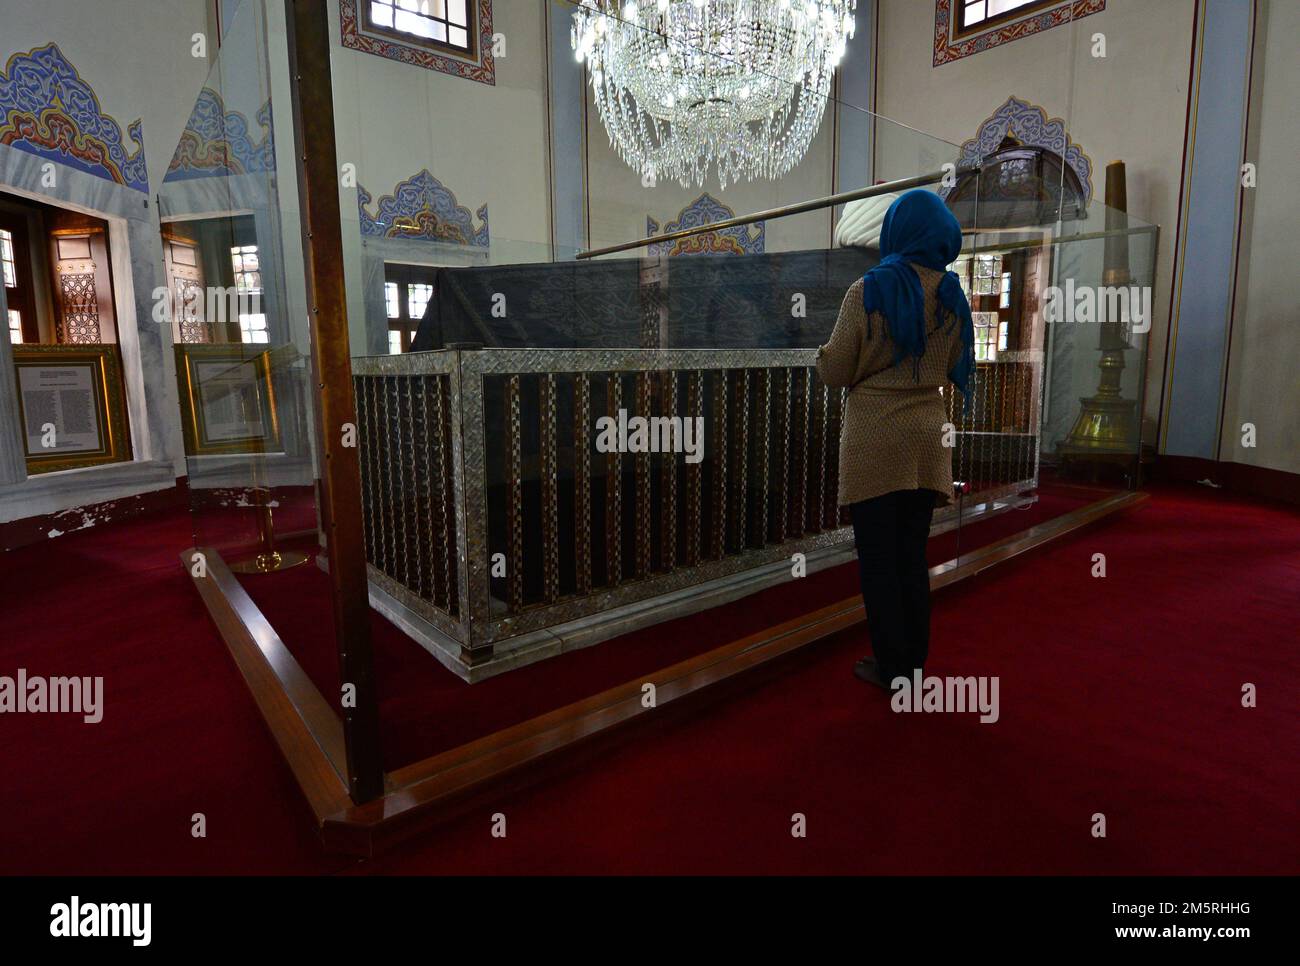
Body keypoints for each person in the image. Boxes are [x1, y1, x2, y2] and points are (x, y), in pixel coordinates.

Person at [815, 188, 975, 691]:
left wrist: (821, 356)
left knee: (879, 561)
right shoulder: (951, 295)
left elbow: (837, 367)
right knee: (910, 556)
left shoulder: (869, 289)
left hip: (876, 440)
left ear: (898, 231)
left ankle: (890, 668)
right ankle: (914, 664)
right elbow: (953, 366)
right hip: (928, 437)